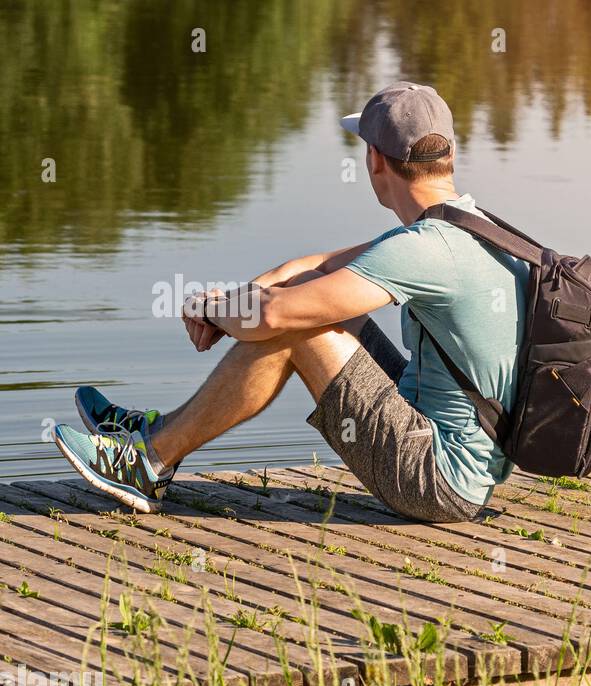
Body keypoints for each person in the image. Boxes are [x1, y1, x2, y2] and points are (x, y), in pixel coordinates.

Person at [54, 82, 527, 523]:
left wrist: (219, 313)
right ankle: (156, 438)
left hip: (436, 479)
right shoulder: (472, 227)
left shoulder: (423, 248)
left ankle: (148, 460)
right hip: (459, 457)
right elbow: (314, 268)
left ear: (375, 161)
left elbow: (276, 314)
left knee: (303, 324)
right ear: (450, 155)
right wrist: (227, 304)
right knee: (315, 304)